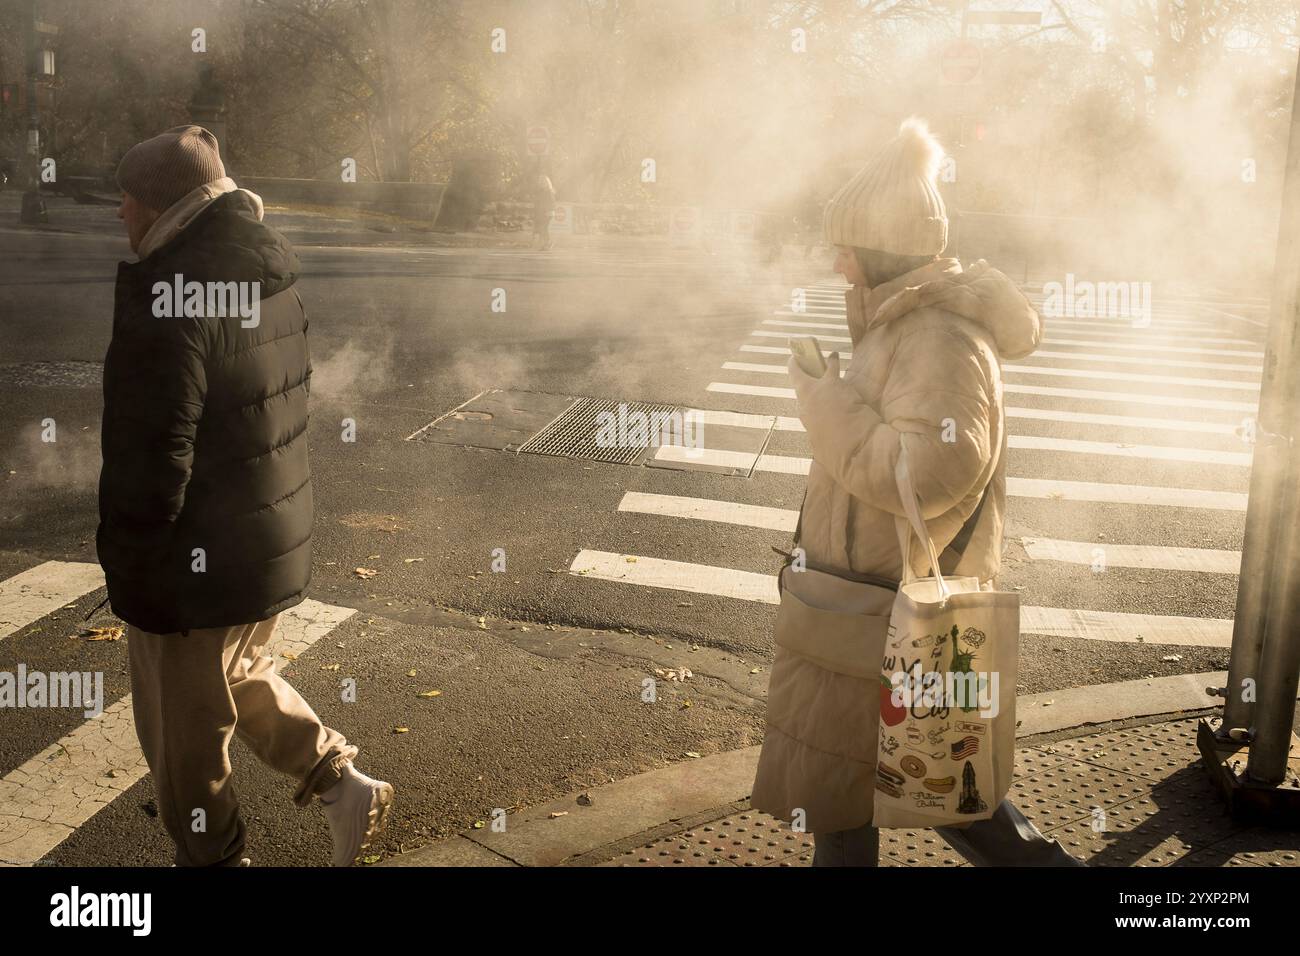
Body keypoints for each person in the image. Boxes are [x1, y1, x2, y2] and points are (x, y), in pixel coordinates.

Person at [750, 118, 1082, 867]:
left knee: (928, 789)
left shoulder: (938, 336)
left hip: (890, 610)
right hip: (861, 603)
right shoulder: (900, 324)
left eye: (844, 247)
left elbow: (929, 474)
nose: (836, 263)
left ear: (879, 249)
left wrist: (823, 399)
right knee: (904, 788)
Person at [102, 125, 393, 867]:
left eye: (128, 202)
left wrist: (131, 566)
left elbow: (151, 455)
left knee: (180, 750)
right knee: (237, 674)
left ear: (164, 208)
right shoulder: (265, 272)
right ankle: (338, 779)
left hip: (190, 565)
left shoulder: (166, 297)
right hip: (258, 543)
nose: (120, 216)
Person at [532, 172, 556, 250]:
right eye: (540, 181)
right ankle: (545, 244)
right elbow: (539, 202)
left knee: (543, 228)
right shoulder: (541, 191)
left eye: (543, 181)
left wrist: (549, 211)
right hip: (542, 213)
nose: (541, 183)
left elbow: (552, 202)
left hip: (547, 212)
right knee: (542, 228)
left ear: (546, 182)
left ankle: (548, 243)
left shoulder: (549, 191)